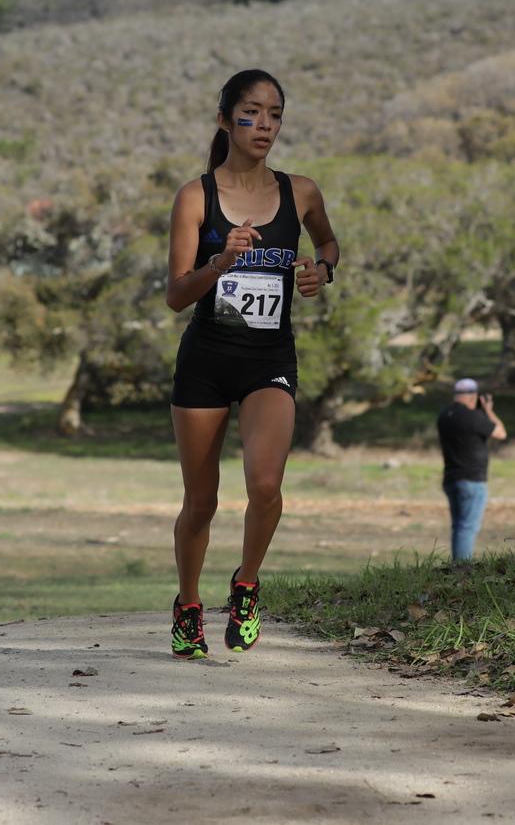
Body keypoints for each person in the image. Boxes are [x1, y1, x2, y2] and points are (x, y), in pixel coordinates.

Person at [164, 68, 339, 659]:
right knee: (202, 502)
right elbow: (175, 294)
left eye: (275, 114)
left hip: (269, 358)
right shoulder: (196, 197)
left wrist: (321, 271)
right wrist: (219, 262)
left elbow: (328, 244)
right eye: (252, 112)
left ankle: (246, 585)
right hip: (206, 361)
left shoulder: (301, 192)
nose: (264, 125)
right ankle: (189, 605)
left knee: (265, 486)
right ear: (224, 119)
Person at [436, 378, 506, 565]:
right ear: (473, 396)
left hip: (451, 478)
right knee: (468, 527)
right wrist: (489, 411)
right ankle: (462, 569)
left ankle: (457, 566)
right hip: (472, 479)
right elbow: (501, 433)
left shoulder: (444, 415)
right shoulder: (473, 417)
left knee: (458, 526)